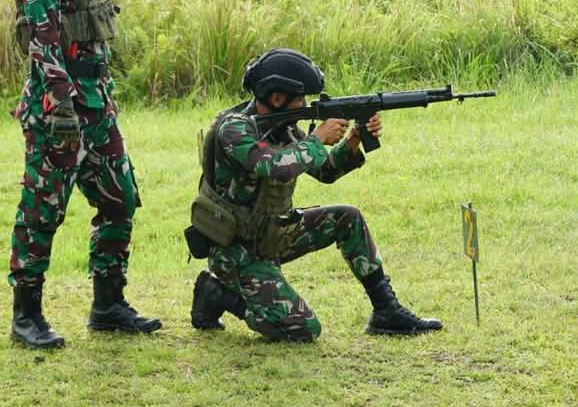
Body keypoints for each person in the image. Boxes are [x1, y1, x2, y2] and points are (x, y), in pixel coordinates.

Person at [187, 48, 441, 341]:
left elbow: (326, 171)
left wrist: (354, 139)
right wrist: (317, 139)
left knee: (347, 218)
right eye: (301, 97)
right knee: (302, 328)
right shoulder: (234, 129)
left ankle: (386, 311)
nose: (305, 104)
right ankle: (217, 293)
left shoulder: (283, 128)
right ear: (277, 97)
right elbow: (273, 166)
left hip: (272, 235)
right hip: (237, 251)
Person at [8, 0, 161, 349]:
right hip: (61, 110)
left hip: (97, 105)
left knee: (120, 199)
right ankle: (26, 314)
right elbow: (43, 41)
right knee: (43, 209)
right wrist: (61, 106)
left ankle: (108, 304)